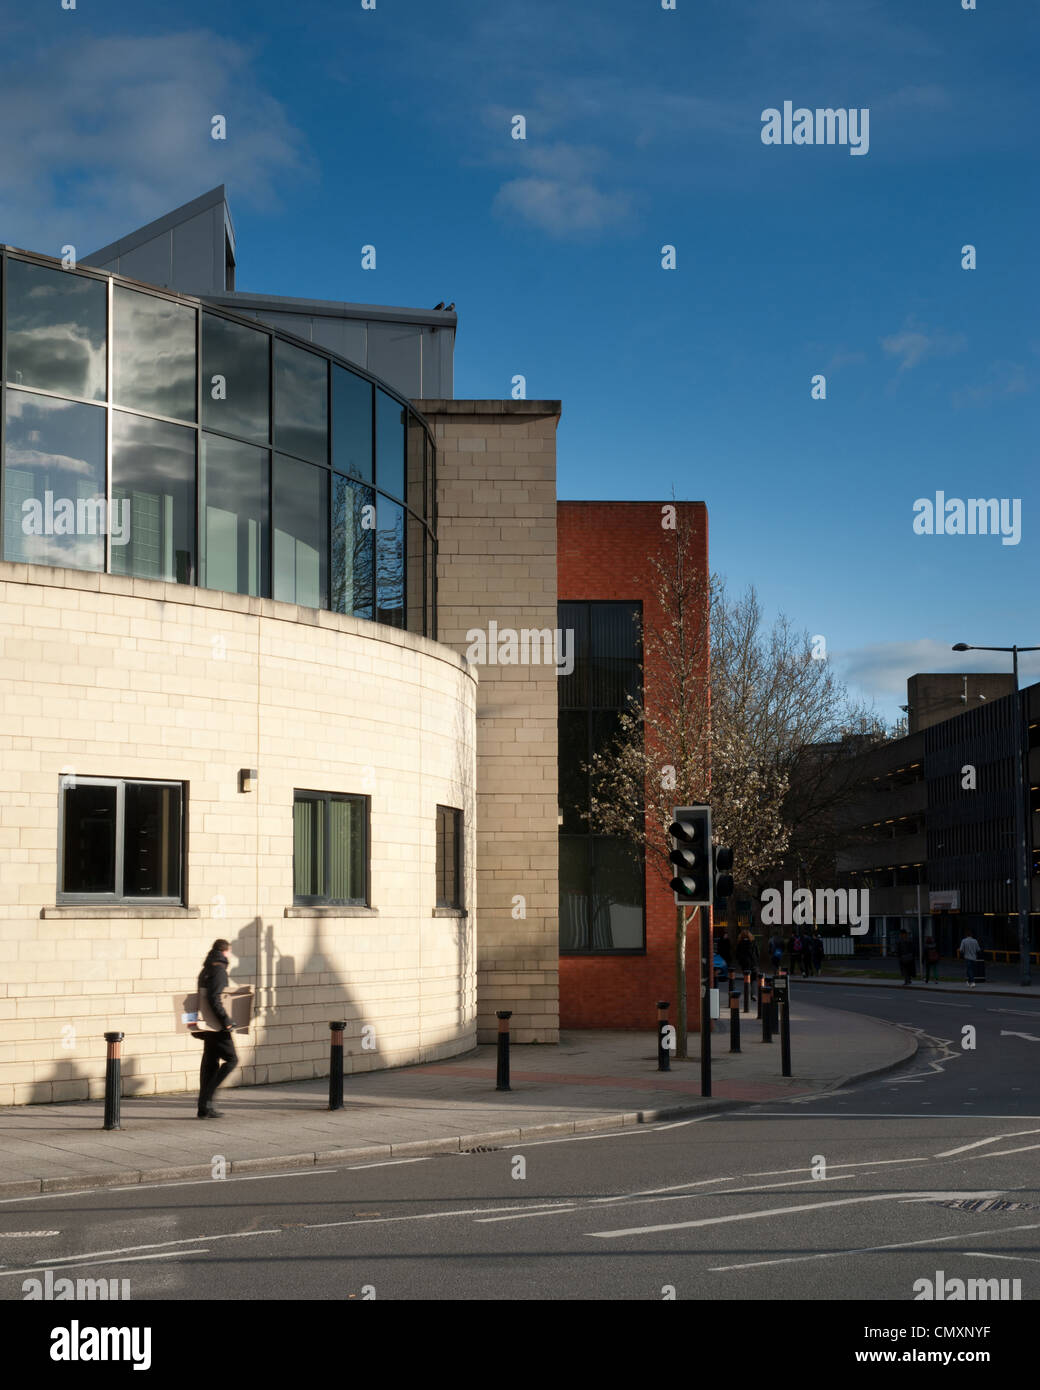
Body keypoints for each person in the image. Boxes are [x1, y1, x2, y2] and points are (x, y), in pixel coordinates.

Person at [195, 938, 238, 1117]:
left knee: (210, 1064)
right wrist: (226, 1021)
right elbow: (214, 998)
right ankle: (206, 1098)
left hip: (206, 1026)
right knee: (231, 1059)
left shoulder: (205, 970)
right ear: (225, 952)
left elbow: (199, 998)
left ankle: (204, 1108)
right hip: (217, 1026)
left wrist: (194, 1025)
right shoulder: (219, 970)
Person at [735, 928, 757, 995]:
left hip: (744, 964)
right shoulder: (753, 943)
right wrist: (755, 960)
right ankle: (753, 993)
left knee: (746, 978)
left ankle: (747, 992)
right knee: (753, 979)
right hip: (752, 963)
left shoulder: (740, 944)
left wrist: (740, 962)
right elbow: (757, 953)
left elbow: (737, 954)